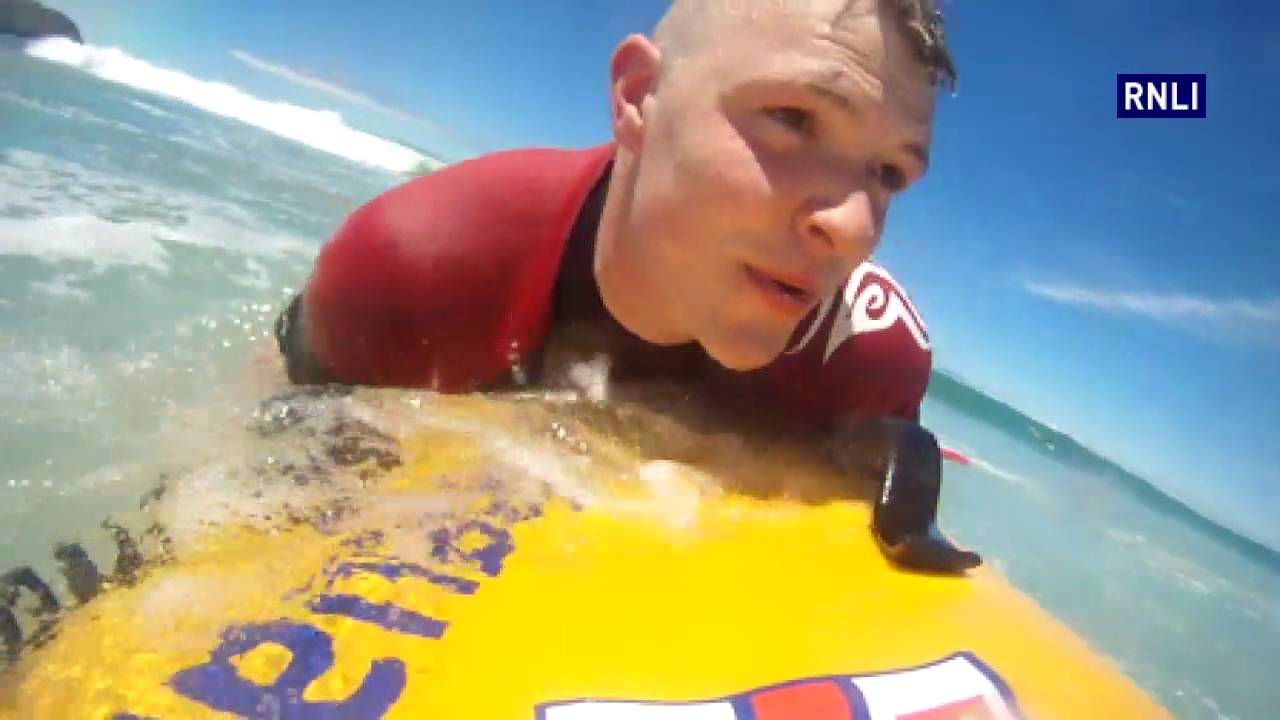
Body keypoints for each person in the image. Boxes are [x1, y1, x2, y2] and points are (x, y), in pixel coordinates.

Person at [273, 0, 979, 572]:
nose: (856, 230)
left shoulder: (870, 359)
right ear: (640, 95)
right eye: (794, 120)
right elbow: (268, 451)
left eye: (889, 174)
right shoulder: (420, 265)